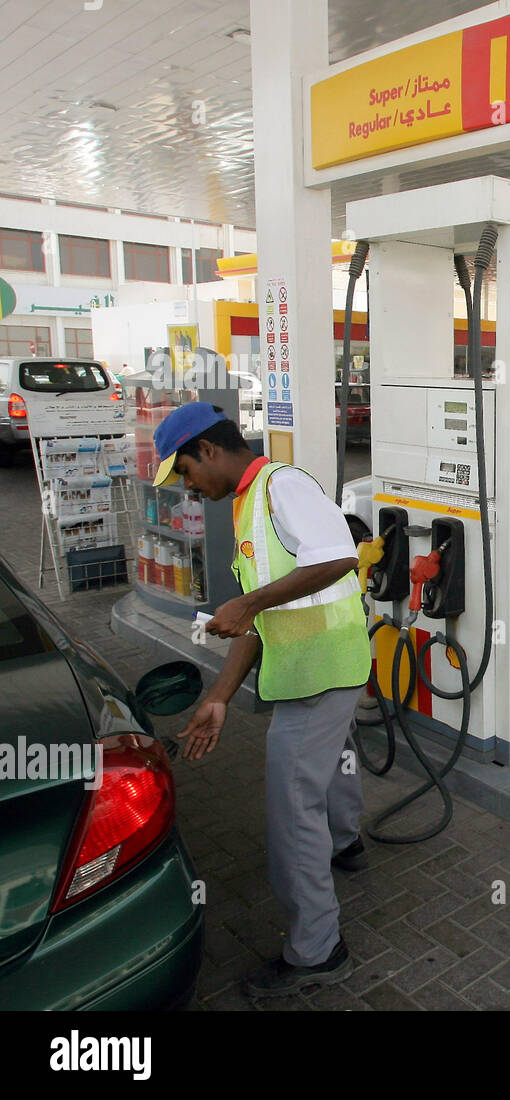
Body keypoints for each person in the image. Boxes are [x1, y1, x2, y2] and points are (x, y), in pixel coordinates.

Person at [152, 402, 372, 997]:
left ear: (207, 451)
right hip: (326, 665)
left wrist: (247, 604)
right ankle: (348, 842)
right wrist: (220, 697)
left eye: (187, 475)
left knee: (292, 811)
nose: (190, 490)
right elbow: (255, 622)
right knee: (336, 762)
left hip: (320, 672)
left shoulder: (283, 484)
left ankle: (316, 951)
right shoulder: (248, 508)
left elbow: (338, 557)